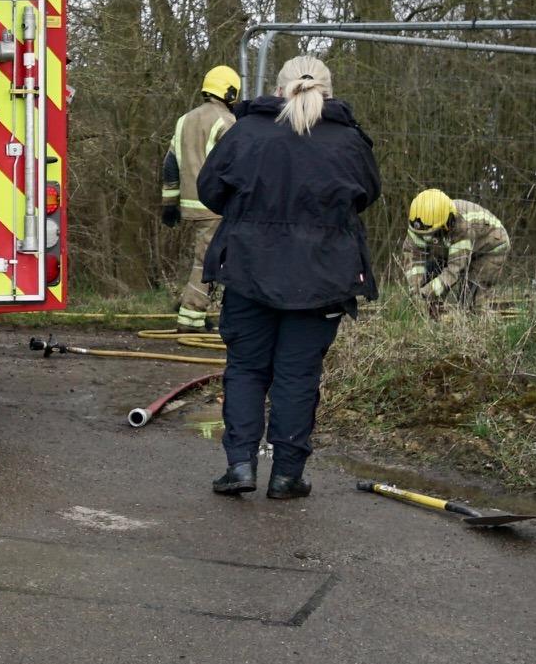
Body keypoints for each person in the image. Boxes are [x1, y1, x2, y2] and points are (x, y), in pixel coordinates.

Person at [196, 56, 380, 500]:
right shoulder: (349, 141)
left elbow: (209, 189)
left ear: (278, 90)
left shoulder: (247, 133)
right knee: (298, 376)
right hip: (321, 276)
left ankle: (240, 465)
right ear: (328, 91)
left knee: (246, 368)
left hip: (248, 270)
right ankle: (286, 474)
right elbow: (367, 194)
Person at [160, 65, 240, 331]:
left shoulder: (185, 119)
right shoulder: (226, 122)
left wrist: (169, 204)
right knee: (208, 261)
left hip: (190, 205)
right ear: (230, 92)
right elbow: (236, 165)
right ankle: (190, 316)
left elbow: (170, 163)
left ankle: (188, 299)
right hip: (215, 206)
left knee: (202, 257)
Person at [405, 189, 510, 314]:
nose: (426, 238)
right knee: (430, 280)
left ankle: (482, 322)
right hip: (450, 244)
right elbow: (413, 257)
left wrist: (425, 293)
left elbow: (454, 269)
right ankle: (433, 318)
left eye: (431, 233)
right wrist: (415, 289)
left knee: (471, 302)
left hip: (490, 248)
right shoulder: (420, 222)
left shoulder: (462, 226)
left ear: (446, 223)